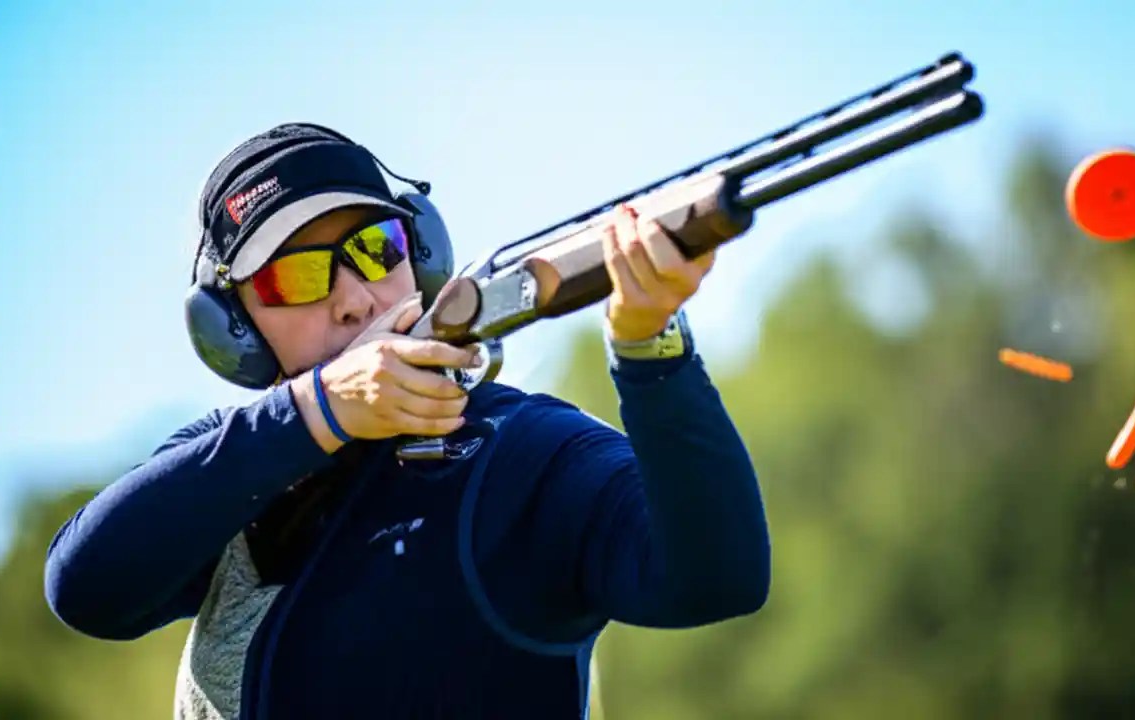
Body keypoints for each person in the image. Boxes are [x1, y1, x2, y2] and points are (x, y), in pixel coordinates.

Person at [43, 123, 771, 719]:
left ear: (418, 255)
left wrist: (649, 346)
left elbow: (718, 577)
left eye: (375, 248)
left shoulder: (521, 447)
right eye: (295, 275)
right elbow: (86, 587)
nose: (354, 298)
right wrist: (321, 410)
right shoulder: (235, 467)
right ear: (234, 327)